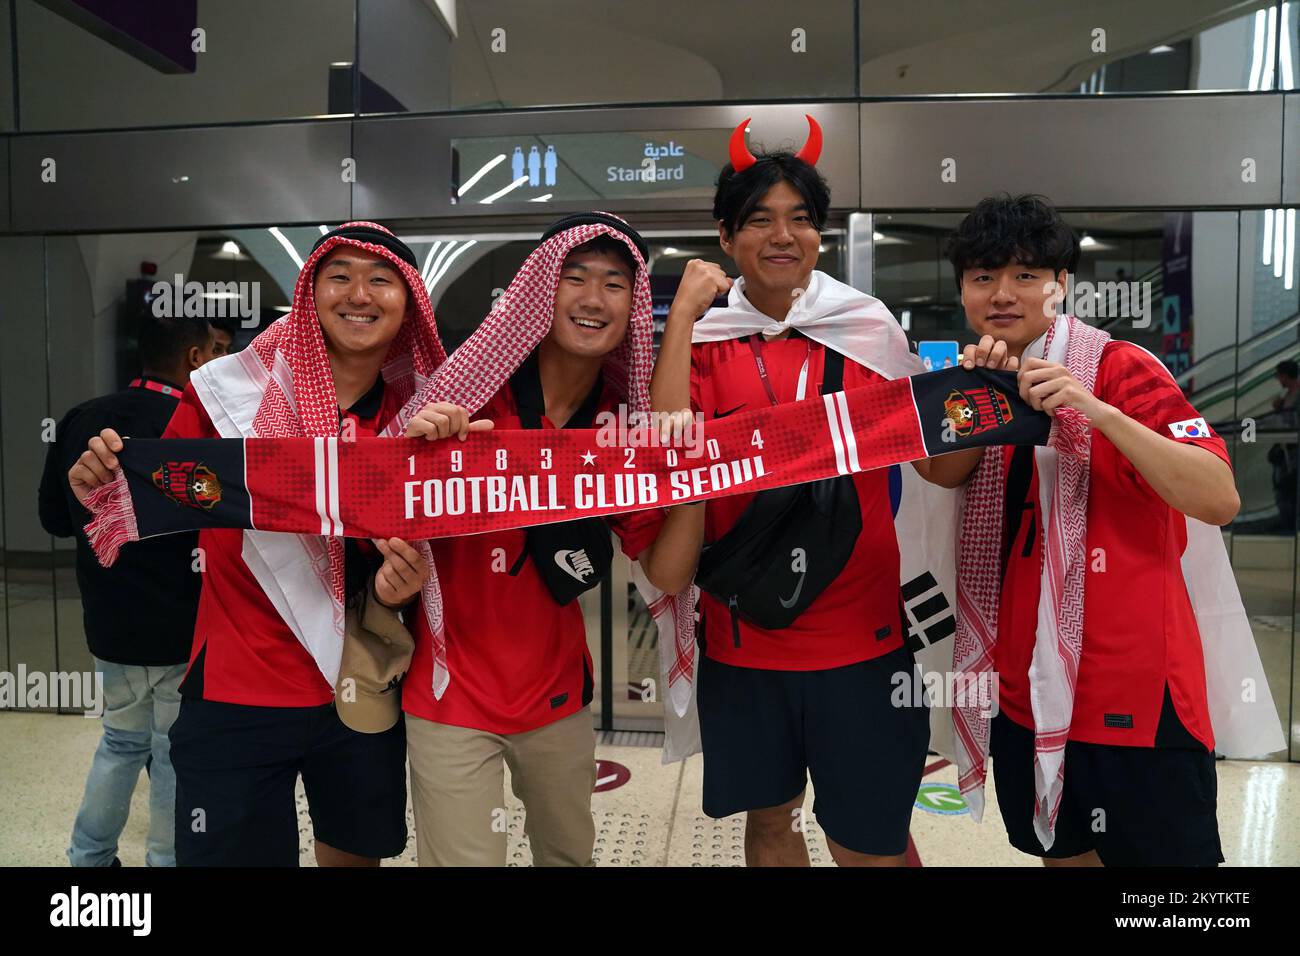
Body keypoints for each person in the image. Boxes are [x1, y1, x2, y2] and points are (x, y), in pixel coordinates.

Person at [67, 222, 470, 866]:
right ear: (310, 293)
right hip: (237, 687)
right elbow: (152, 495)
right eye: (339, 275)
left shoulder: (427, 413)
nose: (358, 294)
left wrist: (403, 583)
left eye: (380, 279)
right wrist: (102, 482)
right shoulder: (227, 392)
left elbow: (456, 546)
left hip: (359, 685)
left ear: (410, 301)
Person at [649, 118, 981, 867]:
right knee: (770, 826)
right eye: (760, 219)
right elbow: (667, 443)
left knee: (871, 841)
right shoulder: (702, 344)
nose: (782, 235)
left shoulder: (868, 332)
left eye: (800, 219)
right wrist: (679, 315)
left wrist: (985, 404)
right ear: (725, 236)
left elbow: (936, 469)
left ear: (820, 237)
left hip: (863, 643)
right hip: (743, 643)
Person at [947, 194, 1251, 866]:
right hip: (1026, 693)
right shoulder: (977, 385)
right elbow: (941, 478)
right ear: (962, 289)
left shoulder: (1122, 369)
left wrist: (1095, 413)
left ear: (1062, 287)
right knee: (1063, 856)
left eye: (1027, 276)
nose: (1003, 293)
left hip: (1137, 700)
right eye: (983, 276)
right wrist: (973, 398)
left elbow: (1218, 496)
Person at [399, 212, 699, 866]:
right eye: (575, 276)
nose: (594, 298)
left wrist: (698, 475)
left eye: (616, 283)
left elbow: (669, 574)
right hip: (451, 697)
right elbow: (382, 518)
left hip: (558, 700)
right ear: (539, 289)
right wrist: (426, 457)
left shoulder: (615, 426)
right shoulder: (470, 400)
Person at [39, 313, 222, 867]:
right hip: (180, 627)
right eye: (213, 352)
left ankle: (88, 858)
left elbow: (54, 517)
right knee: (169, 754)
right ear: (193, 357)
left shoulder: (79, 419)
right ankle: (165, 862)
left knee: (119, 743)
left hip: (109, 623)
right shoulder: (201, 424)